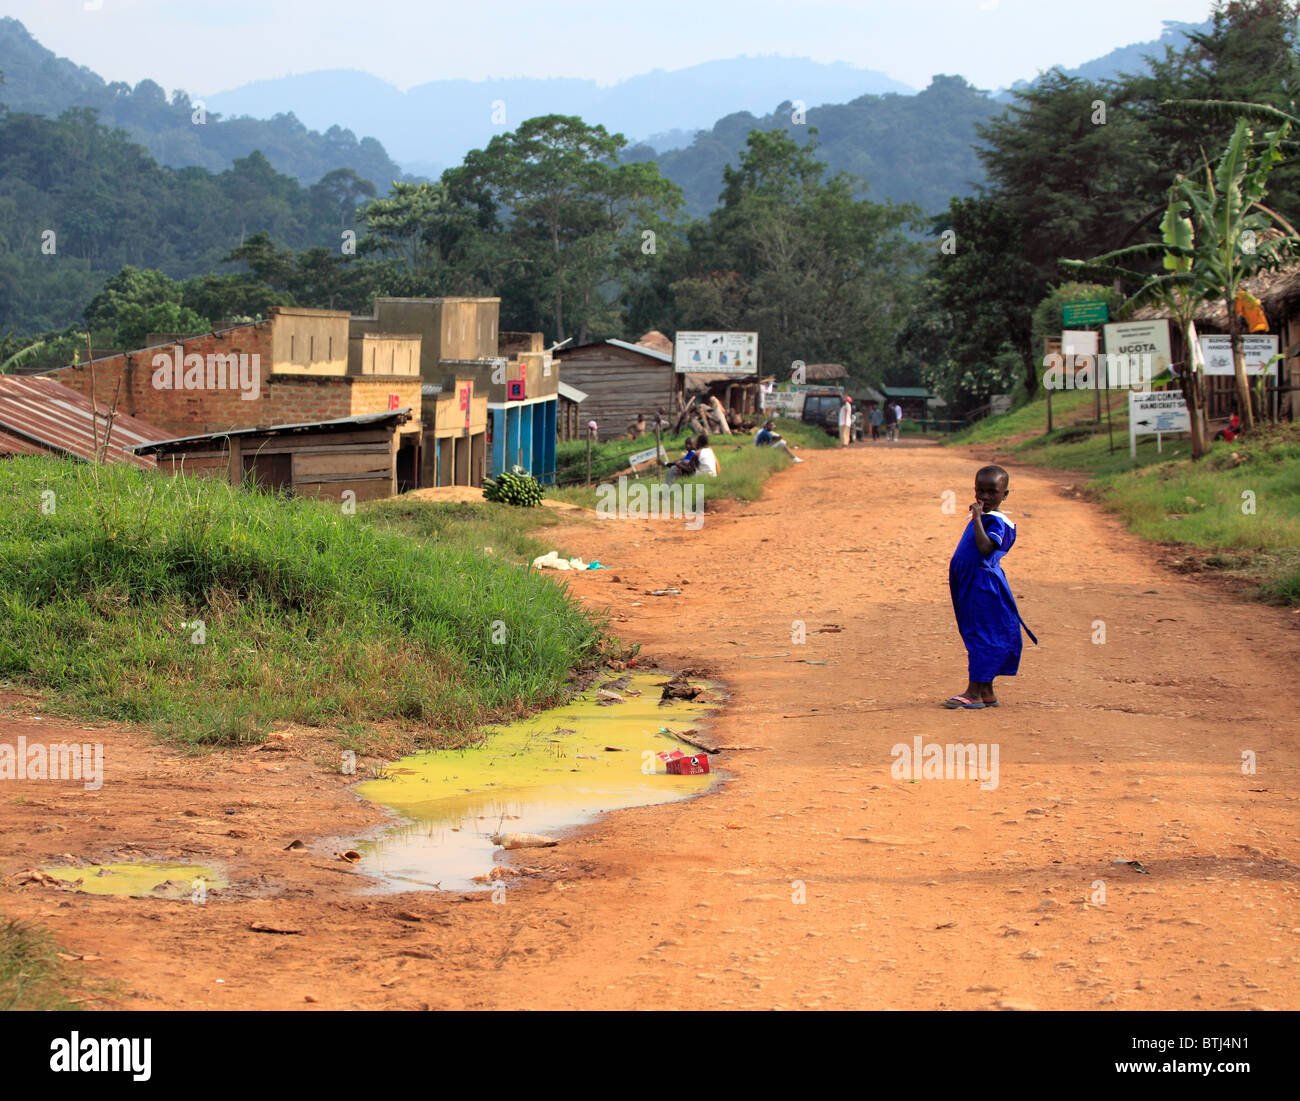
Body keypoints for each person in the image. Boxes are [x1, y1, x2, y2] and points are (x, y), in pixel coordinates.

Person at [945, 465, 1036, 710]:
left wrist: (976, 519)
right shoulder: (986, 518)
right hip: (969, 582)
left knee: (981, 633)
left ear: (1004, 495)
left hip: (982, 585)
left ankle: (974, 692)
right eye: (979, 491)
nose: (984, 497)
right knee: (974, 629)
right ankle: (986, 692)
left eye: (992, 492)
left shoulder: (998, 522)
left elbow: (986, 549)